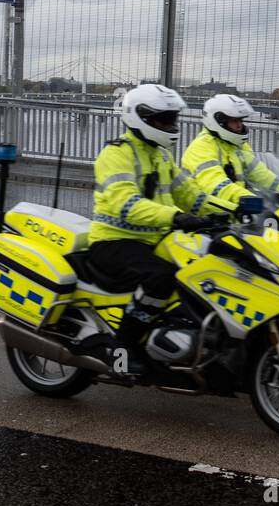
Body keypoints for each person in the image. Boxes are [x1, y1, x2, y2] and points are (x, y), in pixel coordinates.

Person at [88, 83, 217, 375]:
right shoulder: (116, 154)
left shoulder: (161, 155)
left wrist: (235, 211)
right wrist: (175, 217)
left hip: (155, 240)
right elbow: (126, 204)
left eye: (172, 119)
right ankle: (123, 346)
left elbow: (193, 196)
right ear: (141, 117)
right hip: (113, 242)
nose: (170, 125)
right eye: (163, 119)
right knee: (160, 277)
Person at [182, 94, 279, 213]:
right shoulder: (202, 147)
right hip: (205, 219)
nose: (239, 125)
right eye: (234, 121)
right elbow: (215, 185)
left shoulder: (239, 146)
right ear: (218, 122)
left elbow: (262, 175)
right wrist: (253, 200)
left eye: (240, 120)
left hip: (234, 215)